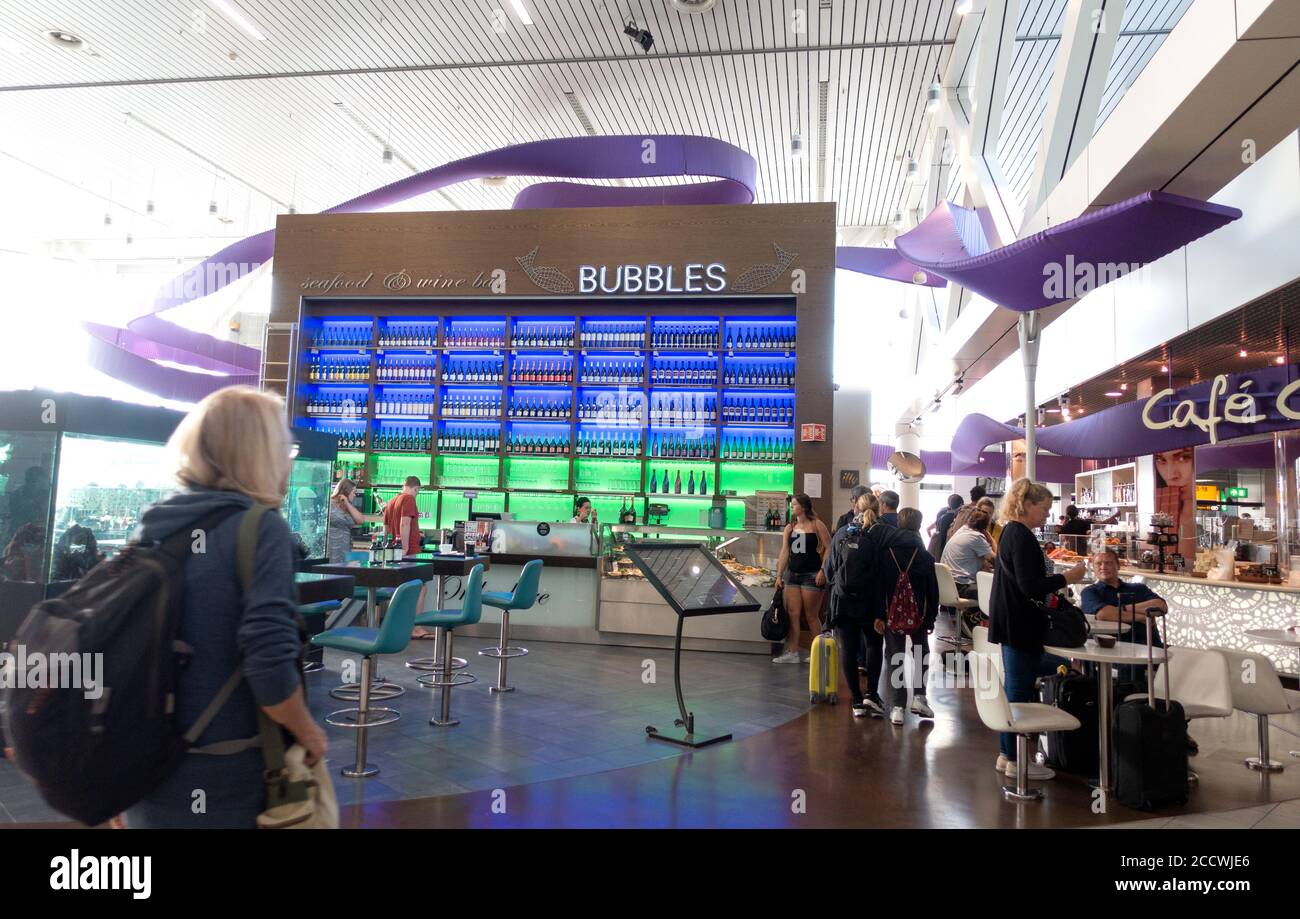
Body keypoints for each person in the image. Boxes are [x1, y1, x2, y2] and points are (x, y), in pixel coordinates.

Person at [125, 386, 326, 828]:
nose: (289, 459)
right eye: (284, 447)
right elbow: (269, 663)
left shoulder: (154, 524)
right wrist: (309, 733)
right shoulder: (258, 528)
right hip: (224, 776)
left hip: (143, 772)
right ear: (258, 454)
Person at [988, 477, 1087, 781]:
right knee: (1018, 692)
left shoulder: (1010, 533)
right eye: (1043, 508)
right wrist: (1066, 578)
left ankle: (1008, 755)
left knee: (1017, 687)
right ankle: (1016, 759)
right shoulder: (1021, 536)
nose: (1046, 515)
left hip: (1010, 619)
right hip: (1020, 622)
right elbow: (1029, 586)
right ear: (1027, 505)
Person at [823, 499, 886, 716]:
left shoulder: (842, 533)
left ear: (855, 509)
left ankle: (856, 702)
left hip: (843, 602)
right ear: (879, 511)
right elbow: (882, 575)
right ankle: (871, 694)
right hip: (870, 602)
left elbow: (830, 571)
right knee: (874, 646)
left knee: (848, 650)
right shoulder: (880, 534)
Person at [879, 508, 939, 725]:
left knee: (895, 655)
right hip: (919, 616)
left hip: (891, 613)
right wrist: (931, 617)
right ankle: (920, 697)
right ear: (918, 525)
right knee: (921, 651)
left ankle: (897, 706)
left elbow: (879, 587)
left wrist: (879, 614)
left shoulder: (886, 554)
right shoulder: (925, 556)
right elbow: (933, 591)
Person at [1080, 549, 1167, 684]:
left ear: (1118, 566)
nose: (1103, 567)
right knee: (1130, 666)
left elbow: (1161, 606)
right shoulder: (1090, 592)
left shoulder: (1138, 588)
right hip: (1114, 649)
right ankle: (1131, 701)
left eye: (1108, 563)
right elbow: (1103, 614)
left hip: (1148, 645)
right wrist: (1142, 617)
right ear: (1093, 568)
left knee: (1181, 657)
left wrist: (1123, 609)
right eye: (1099, 564)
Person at [773, 493, 832, 664]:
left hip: (812, 574)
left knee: (811, 615)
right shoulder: (790, 527)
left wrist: (823, 570)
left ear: (804, 507)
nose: (793, 507)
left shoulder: (816, 524)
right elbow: (785, 551)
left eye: (796, 504)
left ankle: (821, 653)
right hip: (793, 574)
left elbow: (829, 547)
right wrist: (779, 574)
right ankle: (792, 652)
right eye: (792, 505)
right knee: (793, 614)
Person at [940, 508, 994, 602]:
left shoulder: (961, 531)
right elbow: (996, 560)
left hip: (948, 586)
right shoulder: (975, 536)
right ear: (986, 526)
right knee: (998, 592)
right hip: (962, 587)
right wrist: (992, 540)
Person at [328, 478, 367, 564]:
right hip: (332, 547)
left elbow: (361, 520)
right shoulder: (330, 504)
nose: (355, 495)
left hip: (345, 547)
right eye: (353, 492)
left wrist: (347, 503)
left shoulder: (348, 506)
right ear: (346, 491)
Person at [383, 476, 423, 557]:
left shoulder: (391, 502)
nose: (416, 495)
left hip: (393, 549)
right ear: (416, 488)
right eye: (417, 492)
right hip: (409, 551)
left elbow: (386, 529)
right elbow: (404, 524)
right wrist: (405, 548)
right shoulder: (409, 498)